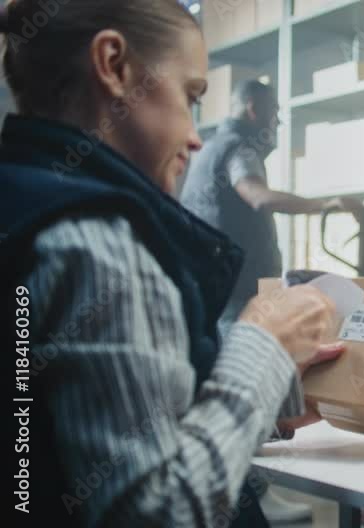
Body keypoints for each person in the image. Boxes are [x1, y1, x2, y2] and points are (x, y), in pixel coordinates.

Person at [0, 1, 341, 526]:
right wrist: (264, 347)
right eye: (189, 96)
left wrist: (261, 404)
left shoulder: (28, 204)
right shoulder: (99, 245)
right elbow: (161, 510)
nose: (195, 136)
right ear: (113, 65)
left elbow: (66, 440)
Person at [180, 80, 364, 340]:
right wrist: (326, 205)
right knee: (240, 360)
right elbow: (258, 197)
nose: (277, 122)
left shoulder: (210, 149)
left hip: (210, 280)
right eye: (273, 112)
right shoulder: (239, 148)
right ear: (253, 109)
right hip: (238, 286)